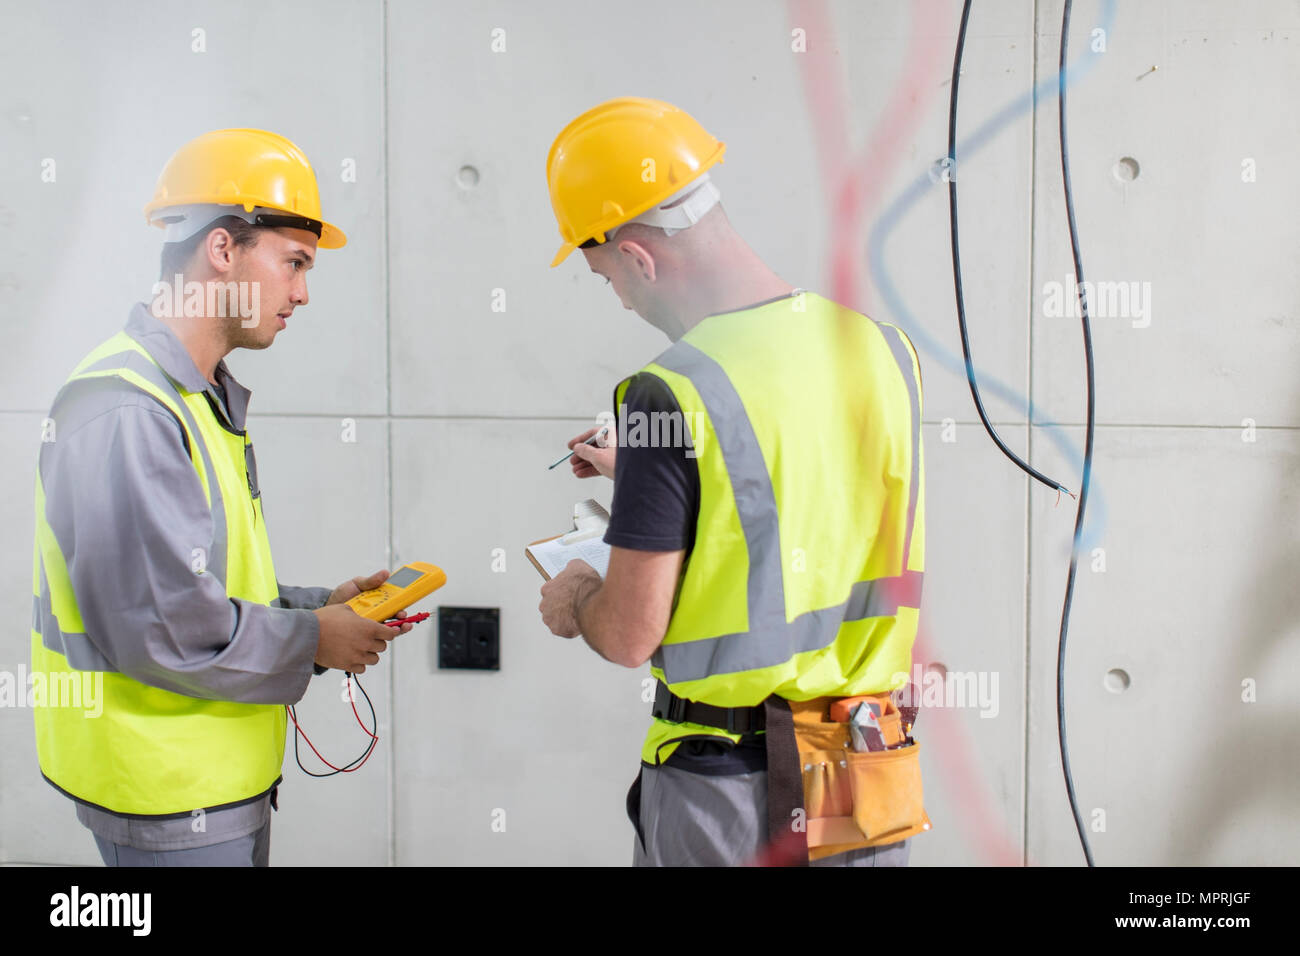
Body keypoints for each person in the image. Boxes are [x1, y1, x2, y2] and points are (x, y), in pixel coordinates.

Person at [537, 98, 928, 866]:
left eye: (606, 275)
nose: (617, 294)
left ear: (638, 256)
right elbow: (812, 492)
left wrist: (577, 596)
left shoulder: (670, 391)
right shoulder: (883, 350)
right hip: (866, 766)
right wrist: (653, 472)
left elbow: (627, 634)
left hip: (735, 791)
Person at [30, 128, 413, 867]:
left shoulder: (192, 398)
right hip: (168, 796)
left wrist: (317, 606)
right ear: (222, 250)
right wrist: (316, 639)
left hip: (211, 786)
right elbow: (159, 625)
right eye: (294, 262)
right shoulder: (128, 411)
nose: (303, 292)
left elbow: (194, 585)